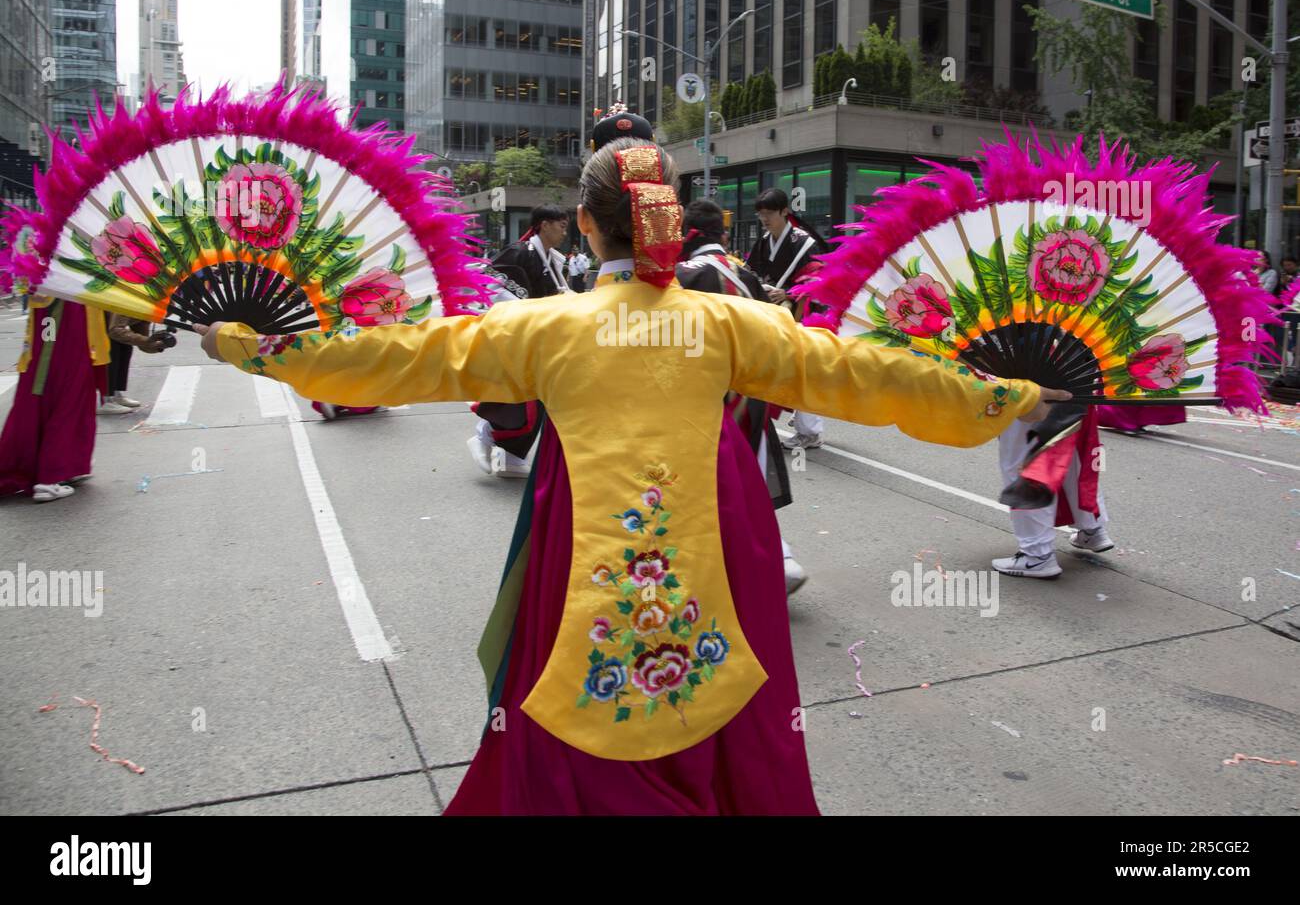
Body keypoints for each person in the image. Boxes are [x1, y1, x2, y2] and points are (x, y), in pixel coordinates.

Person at [196, 135, 1067, 815]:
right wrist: (1016, 395)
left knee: (582, 667)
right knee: (722, 680)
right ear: (673, 221)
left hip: (587, 524)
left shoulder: (542, 328)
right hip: (723, 523)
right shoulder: (731, 322)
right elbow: (867, 372)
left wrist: (251, 343)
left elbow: (394, 356)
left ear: (585, 223)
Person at [676, 199, 808, 595]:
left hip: (701, 400)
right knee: (749, 478)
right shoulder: (746, 274)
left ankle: (716, 570)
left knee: (705, 487)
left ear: (688, 236)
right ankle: (776, 556)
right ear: (723, 234)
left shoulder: (682, 276)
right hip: (749, 397)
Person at [468, 204, 571, 477]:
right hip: (518, 335)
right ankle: (485, 433)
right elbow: (489, 284)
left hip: (540, 338)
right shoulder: (519, 252)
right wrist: (526, 311)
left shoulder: (553, 258)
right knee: (521, 398)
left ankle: (511, 456)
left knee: (537, 398)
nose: (564, 231)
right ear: (544, 224)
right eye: (560, 224)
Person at [0, 297, 110, 502]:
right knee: (68, 393)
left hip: (52, 316)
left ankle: (67, 464)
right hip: (64, 311)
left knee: (46, 389)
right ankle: (51, 475)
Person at [744, 188, 828, 449]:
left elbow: (818, 279)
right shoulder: (763, 242)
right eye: (761, 215)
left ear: (784, 212)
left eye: (769, 213)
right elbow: (751, 272)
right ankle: (804, 421)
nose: (765, 219)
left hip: (800, 314)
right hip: (773, 314)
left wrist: (789, 292)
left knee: (802, 370)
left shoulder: (804, 243)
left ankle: (810, 431)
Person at [994, 407, 1112, 579]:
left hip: (1031, 391)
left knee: (1026, 461)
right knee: (1074, 456)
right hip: (1077, 390)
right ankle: (1092, 530)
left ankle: (1037, 555)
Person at [99, 312, 172, 414]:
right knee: (111, 349)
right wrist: (147, 340)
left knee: (125, 345)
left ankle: (115, 394)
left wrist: (159, 345)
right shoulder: (131, 302)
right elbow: (115, 331)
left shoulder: (146, 311)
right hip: (97, 321)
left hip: (109, 325)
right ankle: (104, 400)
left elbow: (143, 343)